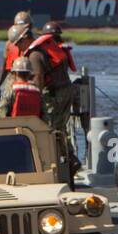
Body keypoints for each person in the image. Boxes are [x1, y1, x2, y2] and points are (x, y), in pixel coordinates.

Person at [29, 21, 78, 167]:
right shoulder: (60, 50)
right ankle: (70, 158)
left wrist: (35, 98)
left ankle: (55, 160)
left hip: (54, 94)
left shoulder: (37, 54)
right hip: (67, 91)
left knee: (49, 128)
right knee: (61, 127)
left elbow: (38, 79)